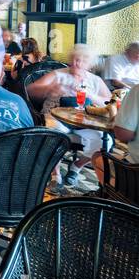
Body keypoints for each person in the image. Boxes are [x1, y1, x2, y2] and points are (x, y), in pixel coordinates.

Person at [28, 45, 111, 189]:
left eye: (82, 60)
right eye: (74, 59)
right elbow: (31, 90)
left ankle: (76, 166)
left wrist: (91, 95)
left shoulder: (95, 80)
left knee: (105, 141)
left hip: (83, 121)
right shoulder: (58, 75)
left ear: (89, 64)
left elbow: (109, 102)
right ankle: (56, 175)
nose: (76, 63)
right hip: (55, 117)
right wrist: (50, 88)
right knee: (55, 134)